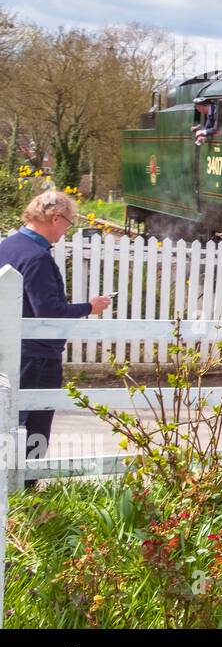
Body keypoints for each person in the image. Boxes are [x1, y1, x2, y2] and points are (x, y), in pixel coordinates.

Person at [0, 191, 111, 485]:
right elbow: (48, 312)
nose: (65, 231)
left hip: (8, 349)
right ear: (55, 217)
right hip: (36, 355)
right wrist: (90, 307)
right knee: (34, 424)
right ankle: (25, 487)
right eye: (68, 224)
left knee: (8, 420)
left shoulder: (8, 247)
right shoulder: (37, 258)